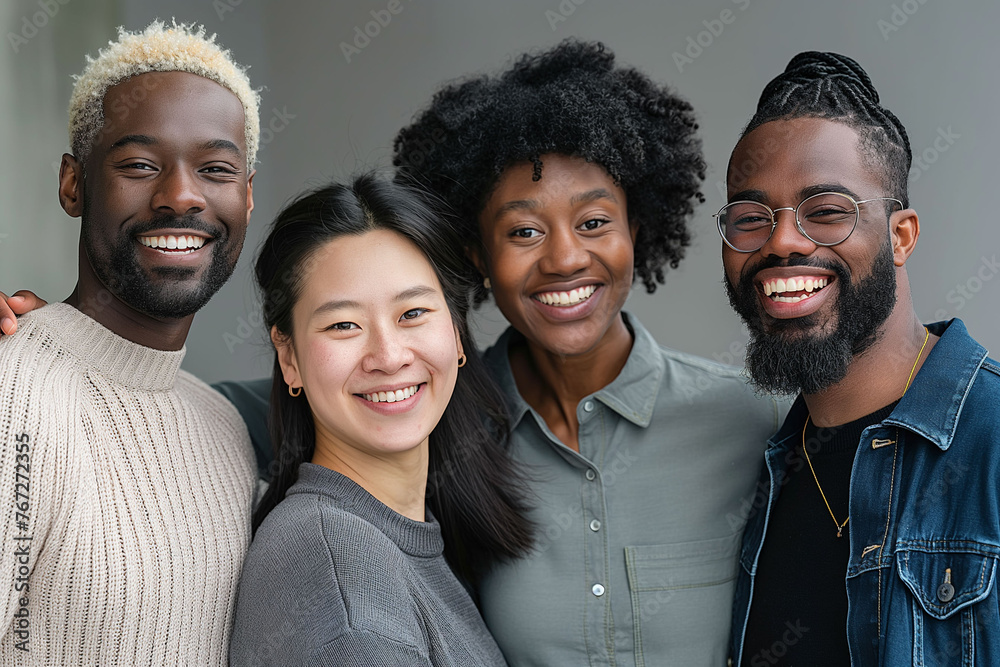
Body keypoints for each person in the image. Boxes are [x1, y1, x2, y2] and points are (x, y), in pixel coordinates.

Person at [392, 40, 784, 666]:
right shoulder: (434, 432)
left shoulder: (756, 425)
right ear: (476, 256)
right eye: (523, 231)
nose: (565, 259)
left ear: (637, 228)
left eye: (595, 222)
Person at [720, 52, 1000, 666]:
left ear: (900, 236)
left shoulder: (992, 440)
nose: (784, 242)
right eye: (750, 218)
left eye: (826, 212)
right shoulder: (765, 466)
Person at [0, 21, 259, 664]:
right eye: (140, 165)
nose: (181, 196)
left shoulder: (225, 424)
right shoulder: (15, 392)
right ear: (73, 184)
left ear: (248, 197)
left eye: (216, 168)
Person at [227, 175, 533, 666]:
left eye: (413, 312)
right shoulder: (341, 574)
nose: (388, 357)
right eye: (344, 324)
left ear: (456, 334)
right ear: (290, 357)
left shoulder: (387, 535)